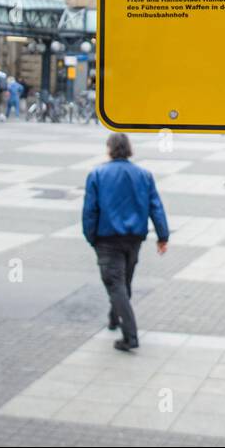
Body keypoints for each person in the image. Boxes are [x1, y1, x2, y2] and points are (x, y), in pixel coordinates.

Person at [81, 132, 169, 351]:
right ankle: (114, 318)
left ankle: (130, 336)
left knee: (116, 284)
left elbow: (90, 211)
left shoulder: (98, 174)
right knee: (122, 282)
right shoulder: (144, 175)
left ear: (109, 149)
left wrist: (91, 237)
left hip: (107, 238)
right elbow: (155, 206)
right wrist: (162, 236)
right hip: (133, 239)